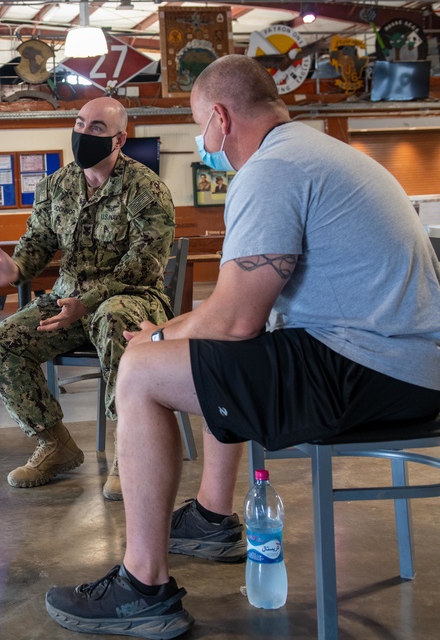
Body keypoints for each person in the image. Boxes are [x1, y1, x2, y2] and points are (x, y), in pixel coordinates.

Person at [44, 55, 440, 638]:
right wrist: (167, 335)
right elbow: (238, 322)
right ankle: (209, 518)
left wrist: (153, 342)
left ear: (221, 119)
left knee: (140, 372)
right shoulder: (317, 150)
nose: (202, 140)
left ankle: (142, 588)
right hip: (408, 368)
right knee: (196, 357)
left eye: (200, 124)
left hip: (371, 370)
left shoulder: (271, 170)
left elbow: (232, 322)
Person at [0, 97, 175, 496]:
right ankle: (54, 443)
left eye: (96, 128)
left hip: (131, 300)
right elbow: (37, 243)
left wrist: (90, 300)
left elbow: (143, 267)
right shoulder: (56, 186)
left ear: (119, 140)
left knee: (112, 318)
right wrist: (16, 269)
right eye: (79, 124)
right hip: (66, 303)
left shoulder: (146, 189)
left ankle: (127, 451)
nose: (83, 134)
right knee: (0, 344)